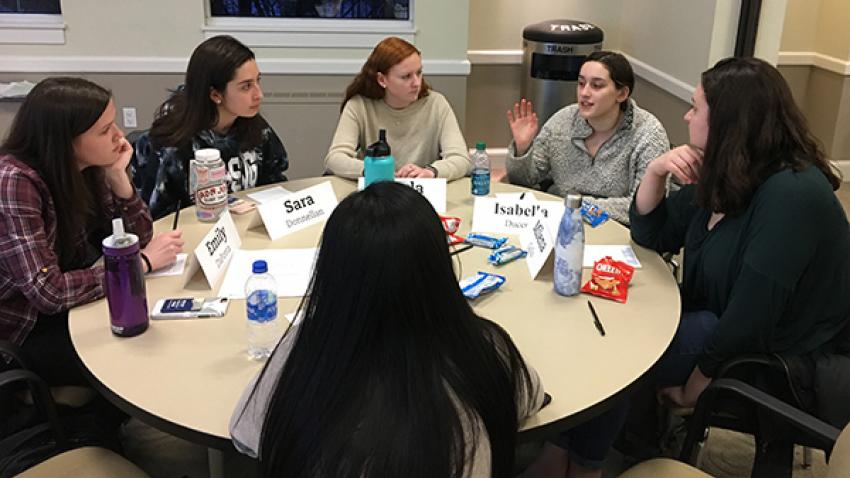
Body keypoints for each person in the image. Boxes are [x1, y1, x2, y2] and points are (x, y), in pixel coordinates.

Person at [230, 182, 545, 477]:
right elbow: (531, 396)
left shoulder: (306, 352)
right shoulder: (484, 348)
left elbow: (245, 430)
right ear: (438, 270)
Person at [631, 57, 850, 416]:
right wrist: (656, 171)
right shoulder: (732, 169)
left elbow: (750, 318)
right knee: (622, 325)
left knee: (628, 356)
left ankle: (624, 440)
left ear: (727, 121)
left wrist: (693, 390)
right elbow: (651, 235)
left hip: (779, 362)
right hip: (715, 329)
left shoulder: (792, 194)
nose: (686, 117)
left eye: (694, 108)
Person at [0, 77, 183, 386]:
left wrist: (119, 179)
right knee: (141, 352)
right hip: (25, 330)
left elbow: (139, 239)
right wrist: (138, 265)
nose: (119, 135)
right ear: (65, 141)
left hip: (74, 305)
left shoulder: (87, 168)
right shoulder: (14, 182)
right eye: (104, 130)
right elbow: (48, 291)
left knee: (161, 328)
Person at [132, 35, 289, 220]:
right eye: (246, 86)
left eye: (258, 81)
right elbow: (159, 217)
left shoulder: (254, 126)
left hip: (245, 226)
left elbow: (273, 181)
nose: (259, 94)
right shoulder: (173, 145)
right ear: (215, 94)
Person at [506, 51, 669, 225]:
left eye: (596, 86)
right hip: (561, 219)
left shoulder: (649, 134)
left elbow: (641, 209)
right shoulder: (562, 121)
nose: (584, 93)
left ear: (622, 94)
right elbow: (522, 181)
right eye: (581, 83)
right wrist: (522, 148)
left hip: (617, 228)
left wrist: (576, 206)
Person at [324, 36, 471, 181]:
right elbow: (335, 158)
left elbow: (460, 159)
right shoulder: (359, 105)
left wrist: (431, 171)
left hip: (422, 190)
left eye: (419, 73)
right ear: (382, 80)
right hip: (377, 188)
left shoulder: (437, 104)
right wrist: (376, 171)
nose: (416, 83)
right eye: (406, 76)